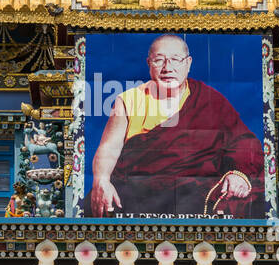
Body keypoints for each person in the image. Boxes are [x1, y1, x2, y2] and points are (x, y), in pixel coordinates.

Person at [88, 34, 264, 218]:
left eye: (175, 60)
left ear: (188, 64)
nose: (167, 68)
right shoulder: (128, 100)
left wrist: (238, 174)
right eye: (159, 60)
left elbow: (243, 142)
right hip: (138, 191)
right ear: (149, 63)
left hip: (197, 190)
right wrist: (101, 181)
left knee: (249, 202)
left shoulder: (210, 101)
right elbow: (109, 147)